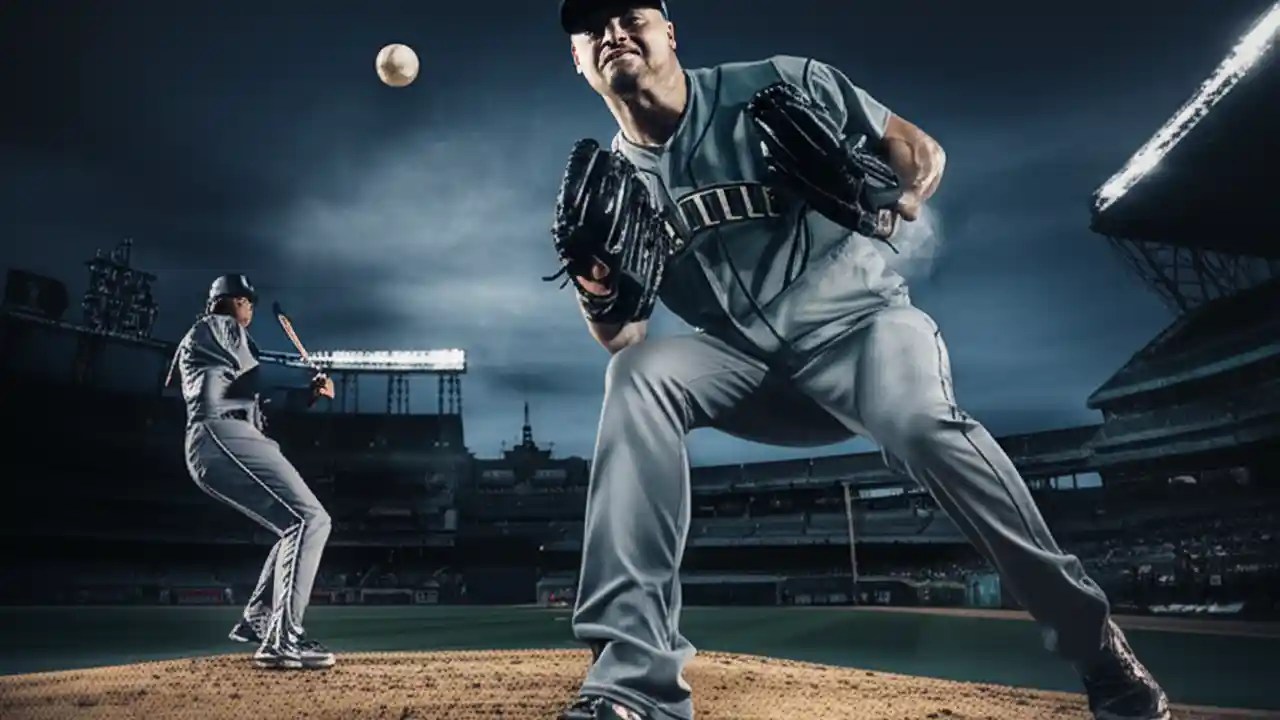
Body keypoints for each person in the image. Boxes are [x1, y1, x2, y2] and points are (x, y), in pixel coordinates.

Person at [553, 2, 1170, 719]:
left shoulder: (775, 84)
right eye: (591, 29)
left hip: (863, 331)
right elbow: (623, 338)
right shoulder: (611, 186)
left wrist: (898, 191)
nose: (613, 34)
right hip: (746, 369)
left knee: (919, 428)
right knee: (637, 377)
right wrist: (598, 293)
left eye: (629, 15)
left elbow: (917, 147)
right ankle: (633, 686)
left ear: (669, 32)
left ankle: (1097, 648)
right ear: (578, 60)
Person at [172, 273, 337, 670]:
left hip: (229, 434)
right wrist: (306, 375)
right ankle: (283, 640)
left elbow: (258, 399)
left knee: (296, 525)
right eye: (244, 300)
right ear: (225, 301)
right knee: (312, 519)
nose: (249, 308)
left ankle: (263, 619)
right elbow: (255, 378)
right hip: (220, 430)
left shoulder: (223, 340)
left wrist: (309, 395)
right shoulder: (218, 326)